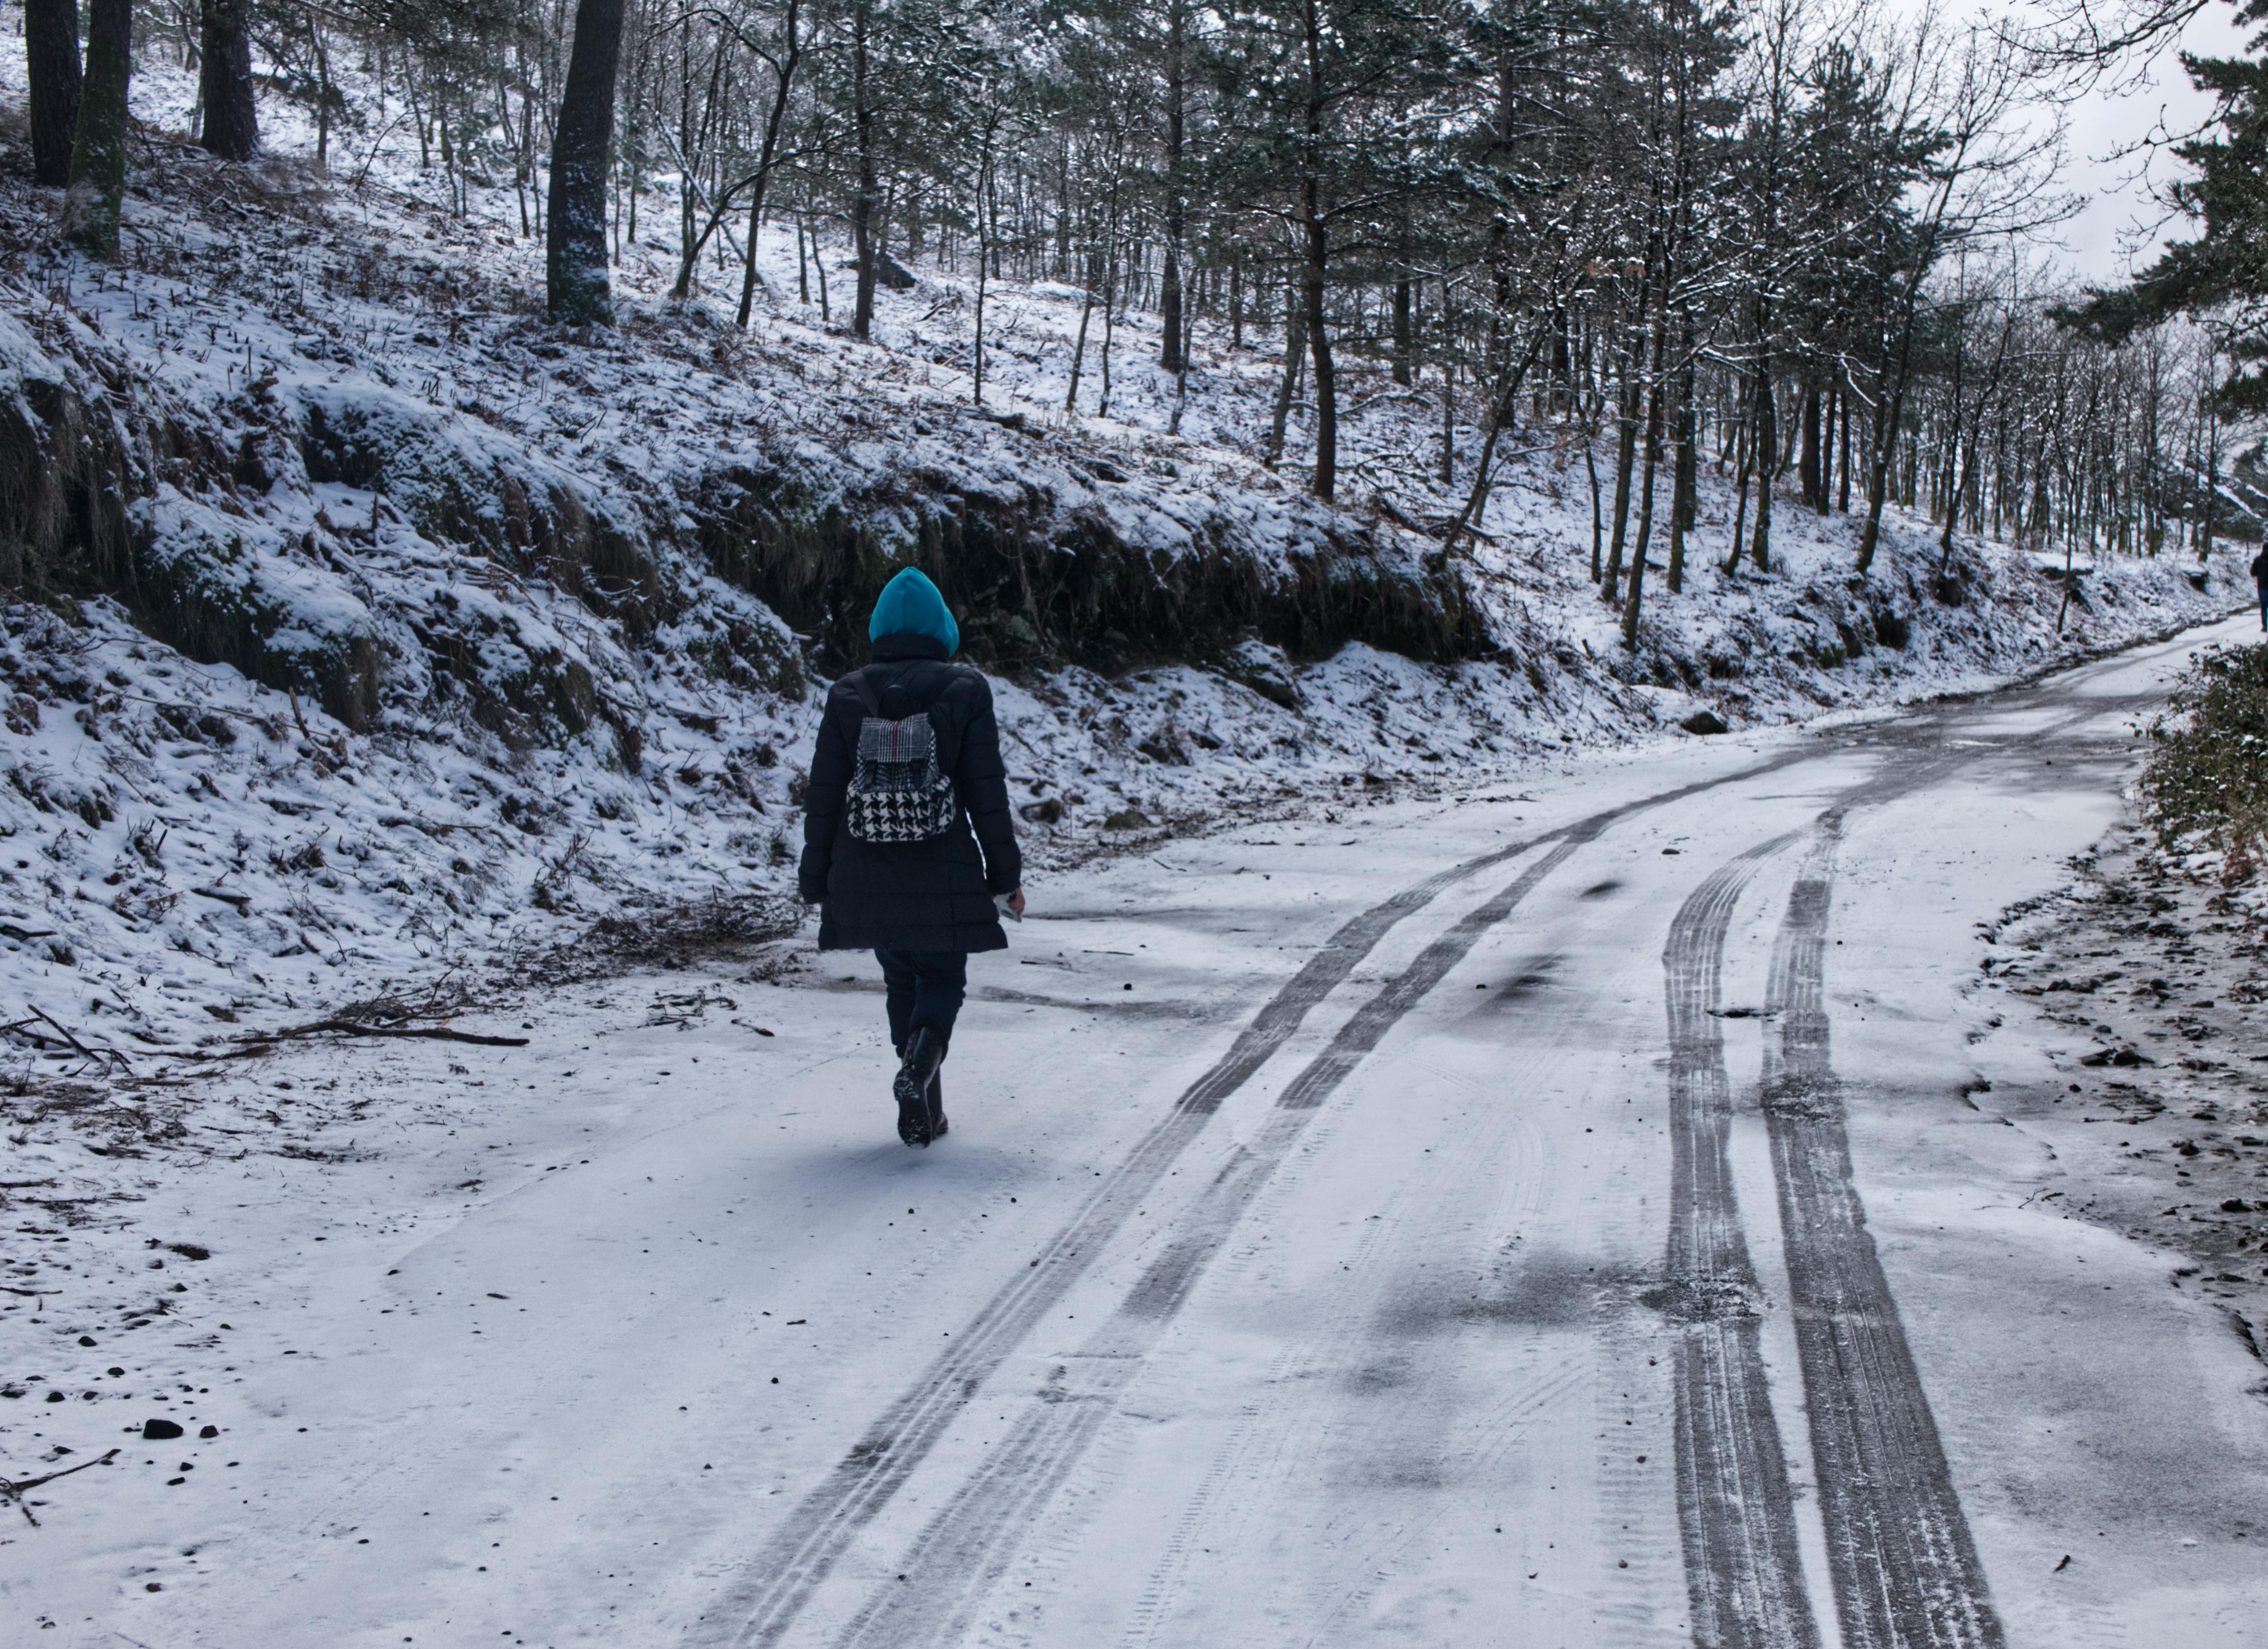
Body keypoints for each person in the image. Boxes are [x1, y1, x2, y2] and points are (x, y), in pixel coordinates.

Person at [798, 569, 1024, 1146]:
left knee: (901, 976)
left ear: (879, 629)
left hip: (863, 863)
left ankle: (923, 1103)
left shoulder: (848, 692)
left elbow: (824, 793)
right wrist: (1005, 877)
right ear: (941, 628)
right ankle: (920, 1069)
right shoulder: (966, 689)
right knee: (943, 977)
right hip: (941, 862)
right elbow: (986, 793)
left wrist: (816, 878)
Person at [2253, 538, 2268, 633]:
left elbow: (2252, 573)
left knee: (2264, 607)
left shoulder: (2258, 560)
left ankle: (2264, 626)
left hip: (2262, 587)